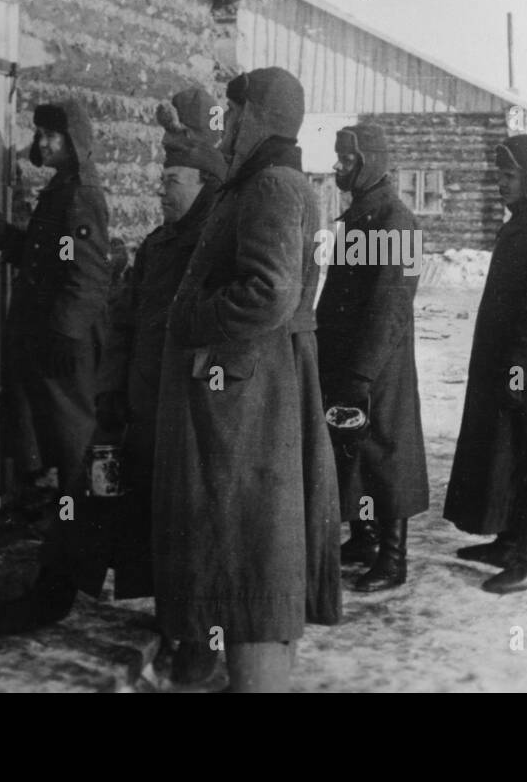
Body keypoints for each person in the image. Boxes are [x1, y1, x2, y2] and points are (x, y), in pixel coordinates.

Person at [154, 67, 341, 692]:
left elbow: (269, 292)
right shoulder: (257, 179)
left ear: (255, 116)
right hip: (243, 391)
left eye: (233, 117)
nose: (226, 129)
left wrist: (193, 320)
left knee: (250, 549)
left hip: (246, 399)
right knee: (241, 546)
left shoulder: (273, 185)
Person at [91, 89, 227, 680]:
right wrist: (112, 391)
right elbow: (123, 322)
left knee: (196, 527)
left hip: (193, 413)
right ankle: (175, 624)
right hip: (148, 409)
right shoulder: (157, 245)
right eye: (162, 175)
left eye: (171, 177)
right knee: (156, 523)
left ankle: (202, 644)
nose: (160, 187)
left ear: (201, 183)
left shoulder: (213, 246)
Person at [0, 101, 112, 631]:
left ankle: (60, 587)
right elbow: (51, 257)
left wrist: (64, 333)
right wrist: (7, 237)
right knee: (69, 465)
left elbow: (87, 274)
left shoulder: (80, 194)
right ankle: (65, 575)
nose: (36, 144)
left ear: (64, 141)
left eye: (44, 135)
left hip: (66, 354)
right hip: (54, 349)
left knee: (76, 465)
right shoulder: (61, 190)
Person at [443, 134, 527, 594]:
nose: (501, 184)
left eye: (509, 176)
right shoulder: (523, 222)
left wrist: (518, 369)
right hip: (510, 362)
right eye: (498, 175)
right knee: (507, 451)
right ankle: (508, 541)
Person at [317, 124, 429, 592]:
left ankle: (394, 557)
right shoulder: (361, 215)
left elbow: (390, 304)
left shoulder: (395, 221)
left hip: (378, 365)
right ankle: (363, 538)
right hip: (349, 357)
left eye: (347, 158)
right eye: (339, 156)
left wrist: (363, 371)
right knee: (352, 450)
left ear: (370, 162)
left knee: (386, 454)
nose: (338, 166)